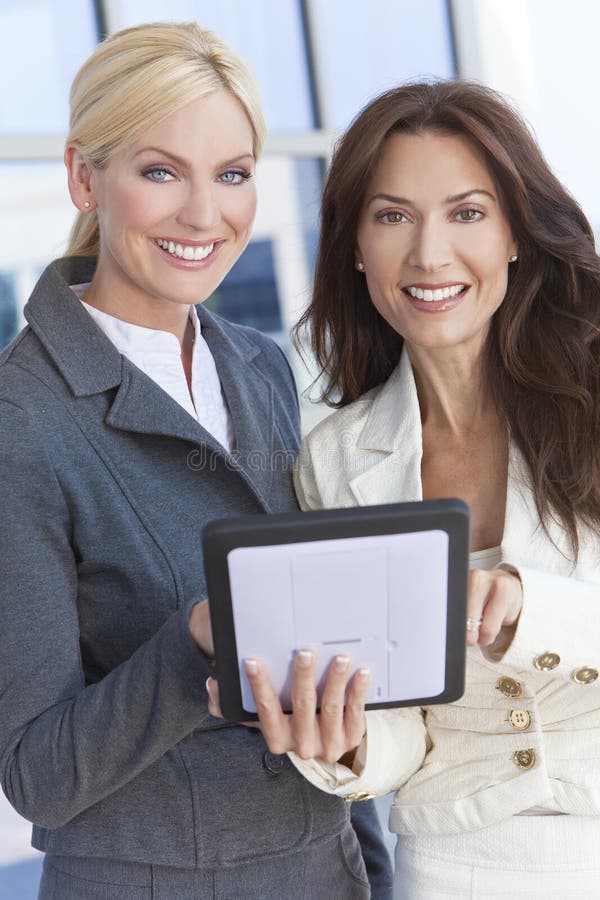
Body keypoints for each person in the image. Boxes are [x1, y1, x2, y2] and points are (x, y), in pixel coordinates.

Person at [0, 22, 393, 899]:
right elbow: (37, 774)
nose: (206, 215)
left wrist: (369, 862)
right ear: (84, 177)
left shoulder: (260, 366)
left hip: (323, 867)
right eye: (161, 172)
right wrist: (197, 641)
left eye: (233, 174)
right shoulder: (21, 423)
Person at [215, 80, 600, 898]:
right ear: (356, 245)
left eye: (467, 213)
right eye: (393, 216)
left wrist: (528, 608)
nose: (429, 254)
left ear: (515, 232)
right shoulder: (333, 460)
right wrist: (341, 738)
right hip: (456, 869)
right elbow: (401, 729)